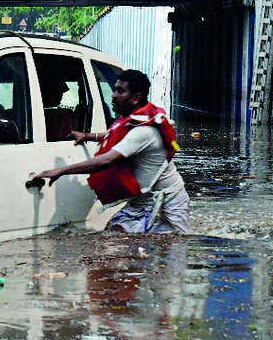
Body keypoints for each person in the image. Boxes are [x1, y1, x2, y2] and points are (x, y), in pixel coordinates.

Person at [29, 69, 190, 233]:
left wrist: (61, 170)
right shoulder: (132, 122)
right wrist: (87, 136)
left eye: (120, 91)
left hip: (168, 202)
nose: (113, 95)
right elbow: (114, 136)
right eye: (114, 90)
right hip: (142, 202)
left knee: (171, 244)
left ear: (136, 97)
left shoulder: (144, 131)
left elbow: (107, 160)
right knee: (115, 233)